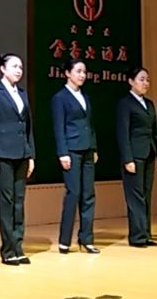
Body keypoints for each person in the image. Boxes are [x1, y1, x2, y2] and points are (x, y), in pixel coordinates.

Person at [0, 53, 35, 265]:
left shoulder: (22, 93)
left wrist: (31, 154)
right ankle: (8, 249)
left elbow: (28, 127)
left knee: (19, 202)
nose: (19, 70)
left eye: (20, 67)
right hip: (2, 155)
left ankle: (18, 247)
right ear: (2, 69)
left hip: (22, 154)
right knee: (6, 201)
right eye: (14, 66)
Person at [51, 58, 100, 254]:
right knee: (73, 193)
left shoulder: (85, 96)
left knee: (89, 194)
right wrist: (62, 153)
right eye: (78, 71)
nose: (82, 75)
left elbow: (91, 125)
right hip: (71, 150)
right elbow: (58, 127)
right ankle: (65, 240)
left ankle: (86, 239)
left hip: (87, 149)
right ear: (67, 73)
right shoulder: (60, 98)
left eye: (84, 72)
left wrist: (94, 148)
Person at [115, 67, 157, 248]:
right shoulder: (125, 103)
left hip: (149, 153)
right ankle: (137, 236)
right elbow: (122, 133)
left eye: (147, 80)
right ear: (131, 81)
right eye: (141, 79)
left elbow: (156, 131)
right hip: (134, 155)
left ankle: (146, 233)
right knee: (135, 197)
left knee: (146, 194)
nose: (146, 83)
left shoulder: (149, 104)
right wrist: (127, 159)